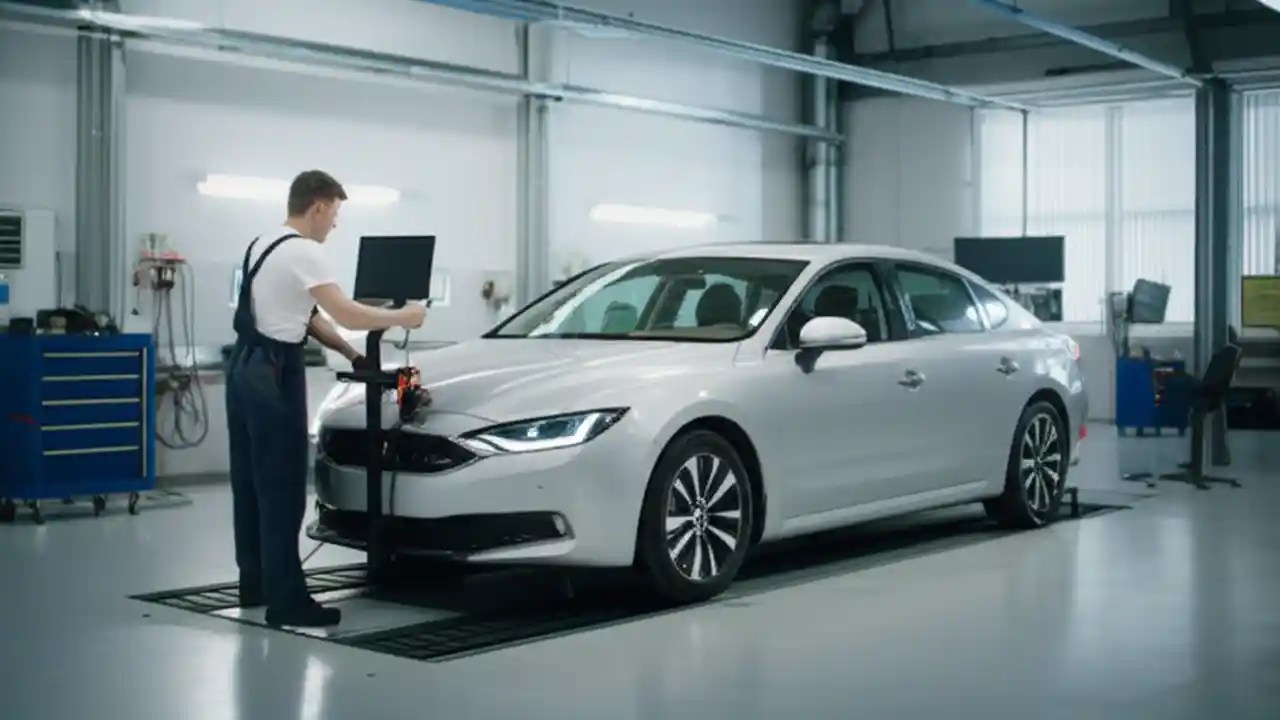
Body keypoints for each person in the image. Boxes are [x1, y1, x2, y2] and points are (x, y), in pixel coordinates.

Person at [226, 170, 425, 627]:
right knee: (282, 489)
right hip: (275, 371)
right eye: (334, 213)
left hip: (245, 368)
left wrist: (352, 353)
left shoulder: (263, 243)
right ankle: (288, 602)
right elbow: (345, 311)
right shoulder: (305, 251)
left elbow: (308, 318)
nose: (334, 224)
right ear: (317, 206)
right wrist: (406, 317)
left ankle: (254, 582)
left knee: (251, 486)